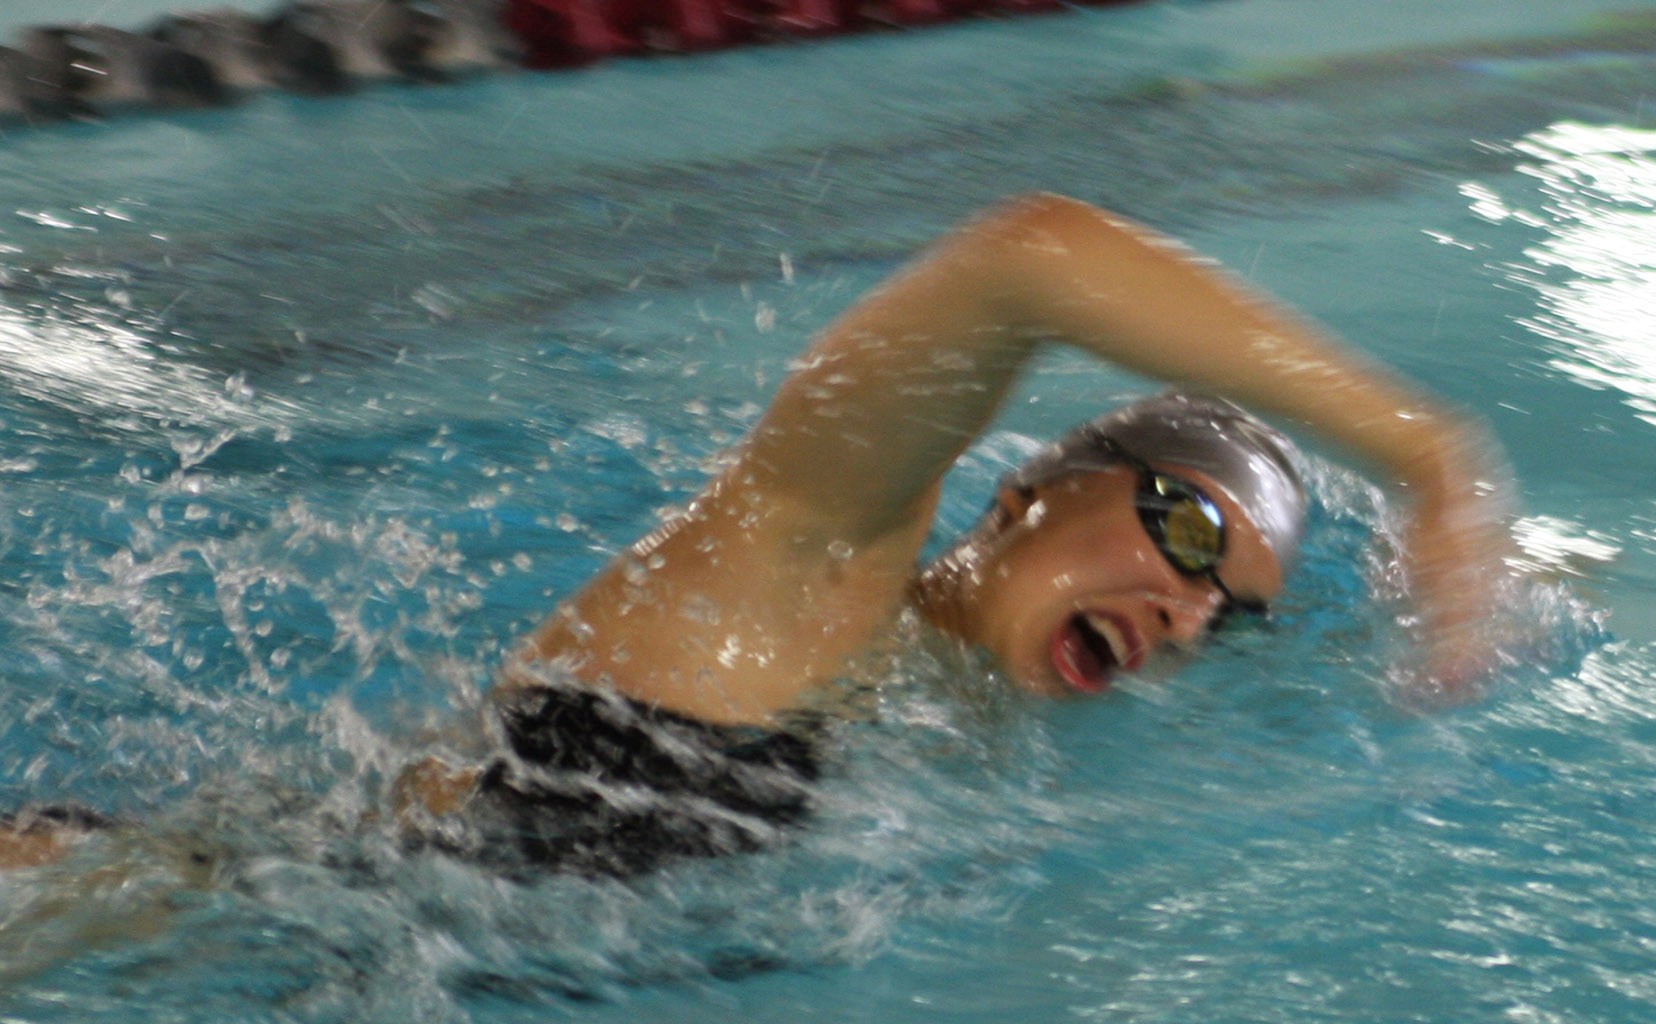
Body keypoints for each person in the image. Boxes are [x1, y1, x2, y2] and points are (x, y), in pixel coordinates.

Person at [2, 193, 1514, 876]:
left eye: (1224, 613)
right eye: (1185, 532)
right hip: (105, 906)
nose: (1188, 611)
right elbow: (1033, 256)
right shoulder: (812, 565)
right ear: (1029, 490)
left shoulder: (928, 712)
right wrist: (1434, 457)